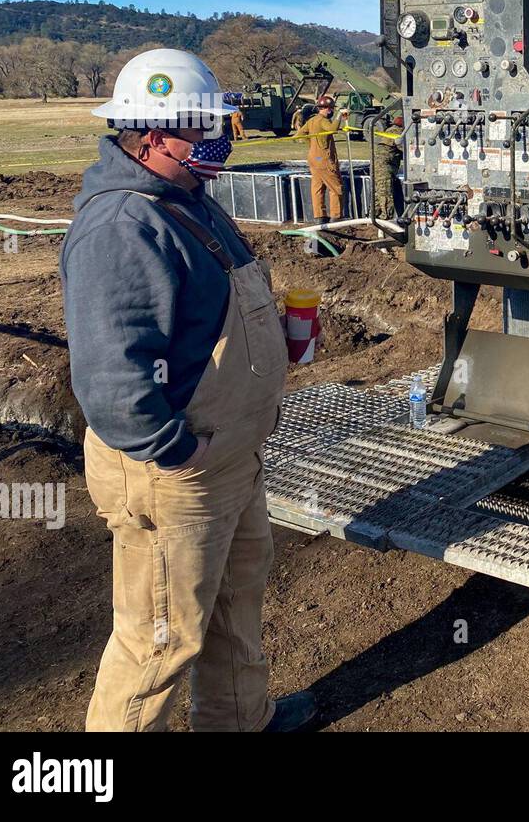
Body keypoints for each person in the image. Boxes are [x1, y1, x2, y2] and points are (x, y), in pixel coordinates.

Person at [60, 48, 317, 731]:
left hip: (231, 458)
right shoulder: (123, 225)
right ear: (149, 137)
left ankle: (239, 720)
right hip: (180, 472)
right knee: (158, 641)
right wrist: (175, 449)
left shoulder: (186, 200)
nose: (219, 141)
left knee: (235, 606)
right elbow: (111, 375)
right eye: (202, 130)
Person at [296, 93, 344, 222]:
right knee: (336, 188)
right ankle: (336, 217)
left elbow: (298, 135)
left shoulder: (312, 120)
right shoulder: (323, 120)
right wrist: (340, 115)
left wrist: (312, 145)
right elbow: (332, 129)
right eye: (332, 108)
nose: (332, 111)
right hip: (324, 159)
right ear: (328, 108)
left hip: (313, 158)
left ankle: (319, 217)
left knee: (318, 188)